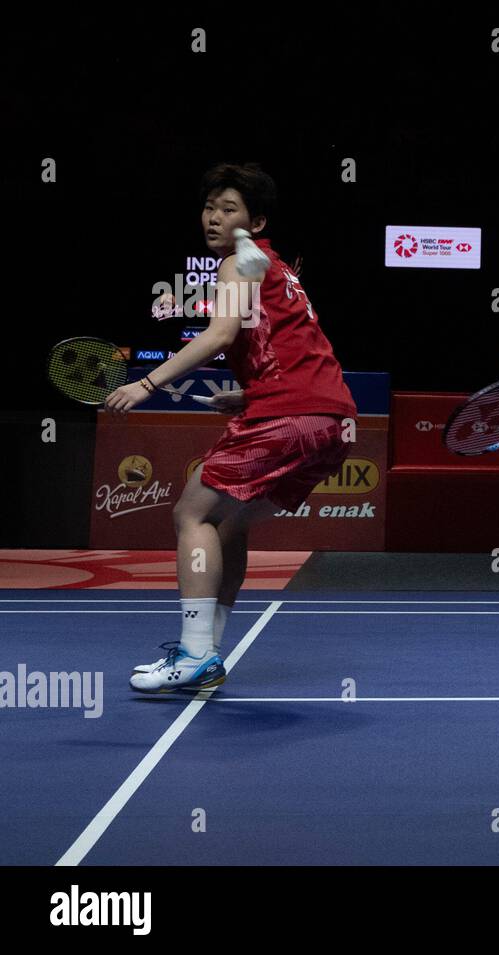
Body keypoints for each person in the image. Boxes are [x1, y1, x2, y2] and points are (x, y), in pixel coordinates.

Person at [105, 162, 357, 692]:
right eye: (209, 207)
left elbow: (220, 335)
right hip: (330, 422)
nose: (213, 218)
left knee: (191, 512)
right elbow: (298, 348)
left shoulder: (240, 263)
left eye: (229, 209)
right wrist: (251, 393)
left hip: (288, 416)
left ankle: (195, 653)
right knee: (229, 523)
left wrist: (145, 384)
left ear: (256, 222)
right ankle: (208, 655)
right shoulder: (276, 267)